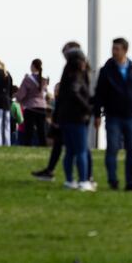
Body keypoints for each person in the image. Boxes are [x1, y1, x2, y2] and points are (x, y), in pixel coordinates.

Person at [33, 41, 94, 182]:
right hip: (71, 114)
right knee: (71, 147)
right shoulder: (78, 69)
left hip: (73, 114)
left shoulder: (75, 70)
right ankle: (65, 174)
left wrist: (86, 108)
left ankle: (82, 177)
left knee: (78, 148)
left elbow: (73, 93)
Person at [92, 38, 132, 191]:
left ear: (125, 50)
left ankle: (131, 182)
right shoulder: (107, 70)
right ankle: (113, 180)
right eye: (113, 48)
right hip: (113, 115)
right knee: (112, 148)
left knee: (131, 149)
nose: (114, 52)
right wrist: (97, 114)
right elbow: (99, 94)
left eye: (117, 49)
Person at [57, 49, 96, 192]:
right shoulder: (77, 77)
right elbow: (76, 94)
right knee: (81, 150)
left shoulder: (66, 75)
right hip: (77, 118)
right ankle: (84, 180)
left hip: (65, 118)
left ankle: (69, 180)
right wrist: (88, 107)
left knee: (70, 151)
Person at [15, 60, 48, 146]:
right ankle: (43, 146)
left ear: (33, 66)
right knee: (41, 130)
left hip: (30, 107)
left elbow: (22, 93)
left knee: (29, 130)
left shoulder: (28, 79)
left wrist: (18, 99)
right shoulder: (44, 80)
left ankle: (28, 146)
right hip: (42, 107)